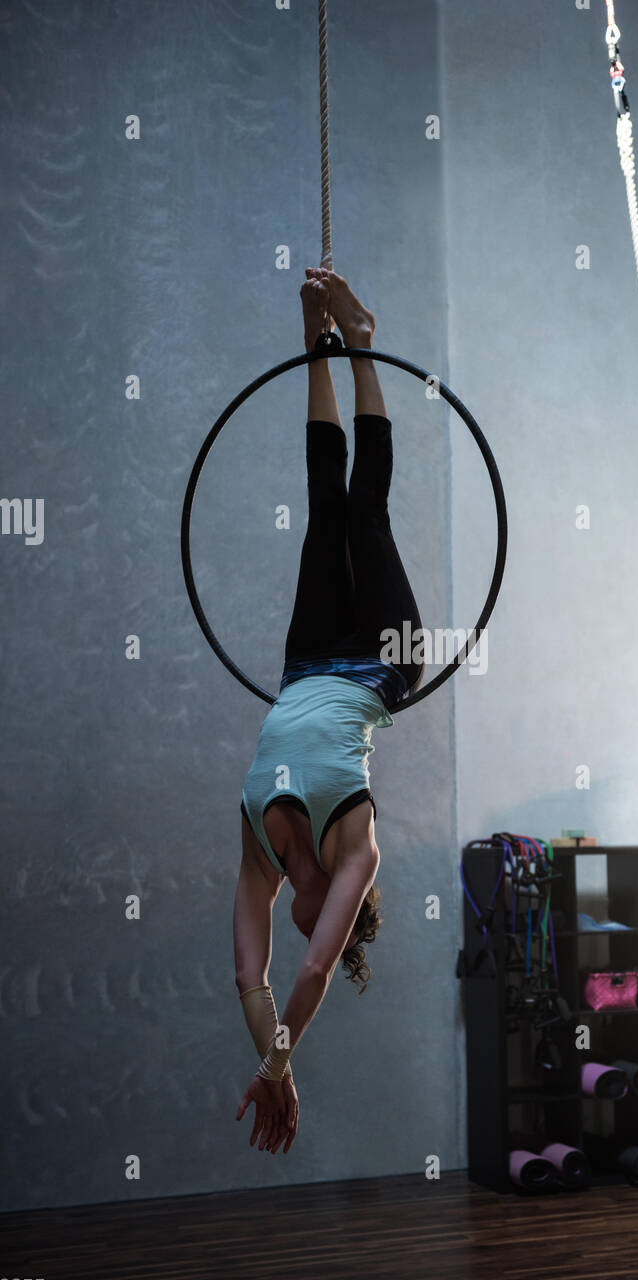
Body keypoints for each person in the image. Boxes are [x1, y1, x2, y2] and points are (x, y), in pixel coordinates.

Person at [233, 269, 424, 1155]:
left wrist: (273, 1059)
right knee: (366, 509)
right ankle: (361, 338)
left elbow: (256, 977)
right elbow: (311, 971)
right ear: (345, 914)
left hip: (306, 664)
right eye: (341, 927)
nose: (322, 926)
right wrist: (279, 1065)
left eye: (323, 925)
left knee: (321, 508)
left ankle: (316, 339)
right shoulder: (358, 850)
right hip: (382, 666)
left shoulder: (263, 860)